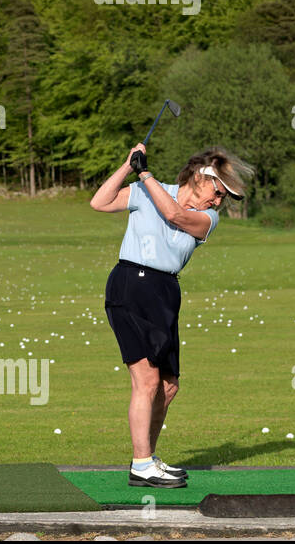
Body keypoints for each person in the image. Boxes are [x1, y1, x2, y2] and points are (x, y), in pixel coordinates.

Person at [90, 144, 251, 488]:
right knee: (146, 381)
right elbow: (99, 202)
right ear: (199, 177)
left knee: (168, 386)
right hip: (131, 284)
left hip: (164, 293)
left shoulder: (208, 219)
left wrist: (144, 174)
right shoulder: (145, 191)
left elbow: (175, 216)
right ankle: (142, 464)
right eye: (217, 192)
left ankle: (145, 458)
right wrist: (128, 166)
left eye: (223, 198)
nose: (218, 202)